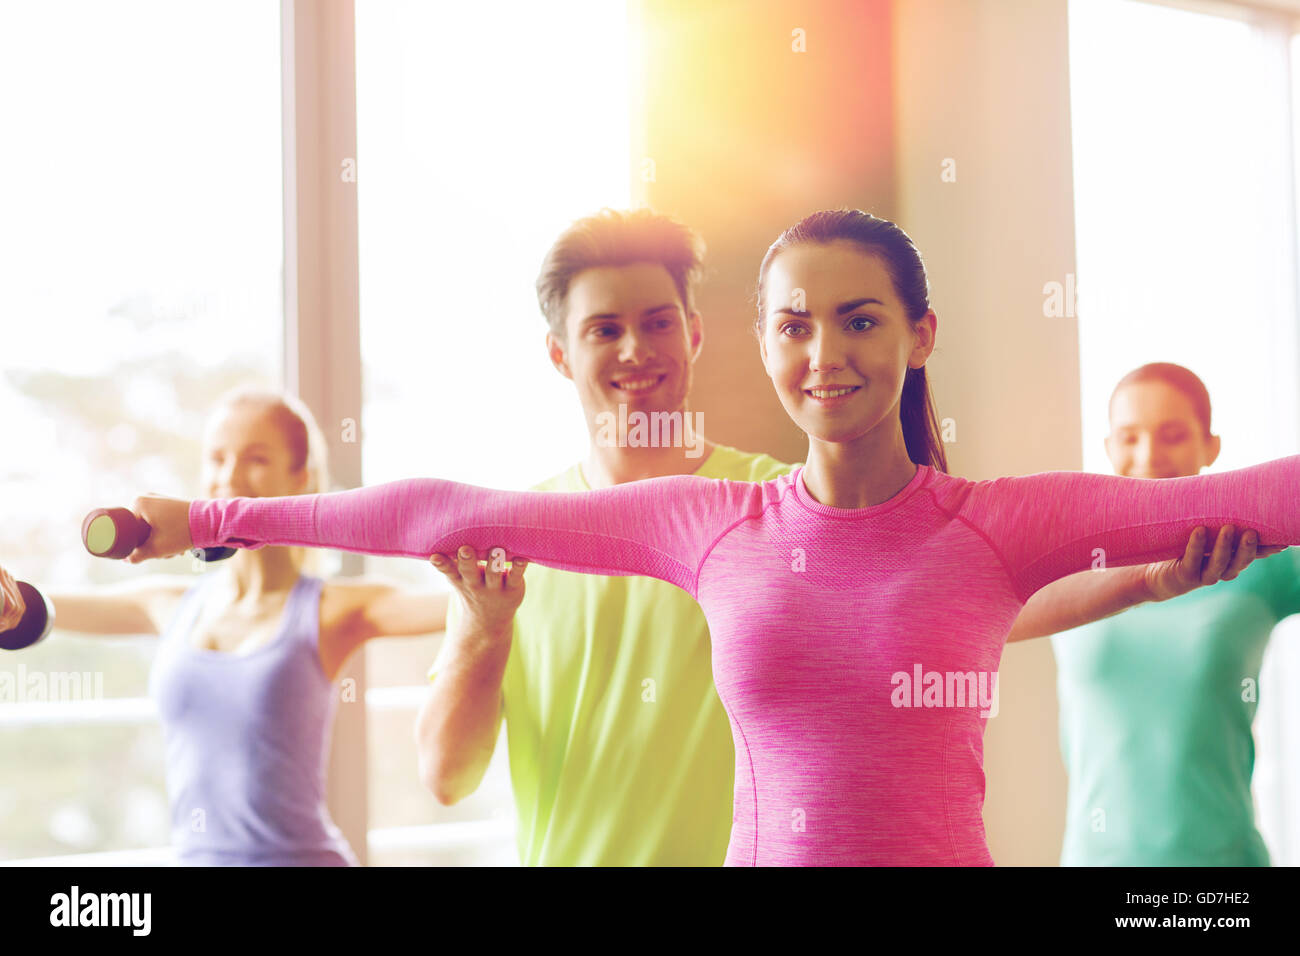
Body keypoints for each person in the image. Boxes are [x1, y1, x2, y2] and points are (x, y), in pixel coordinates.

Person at [113, 210, 1300, 866]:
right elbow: (435, 511)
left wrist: (1149, 576)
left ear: (919, 333)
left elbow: (1250, 493)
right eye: (795, 324)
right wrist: (206, 522)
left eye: (859, 318)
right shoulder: (694, 521)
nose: (824, 352)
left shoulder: (985, 523)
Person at [415, 209, 791, 866]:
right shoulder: (508, 539)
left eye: (657, 323)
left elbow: (940, 592)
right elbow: (447, 777)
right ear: (560, 354)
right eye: (604, 329)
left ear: (694, 334)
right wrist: (485, 629)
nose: (635, 350)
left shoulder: (775, 506)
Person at [0, 387, 449, 866]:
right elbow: (40, 608)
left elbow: (457, 603)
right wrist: (10, 604)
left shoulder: (334, 607)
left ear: (301, 478)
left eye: (256, 459)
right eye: (217, 459)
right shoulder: (171, 604)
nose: (229, 477)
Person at [1007, 362, 1300, 865]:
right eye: (1129, 437)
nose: (1149, 456)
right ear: (1107, 448)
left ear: (1211, 447)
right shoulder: (1070, 562)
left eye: (1173, 435)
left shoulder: (1260, 560)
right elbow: (973, 613)